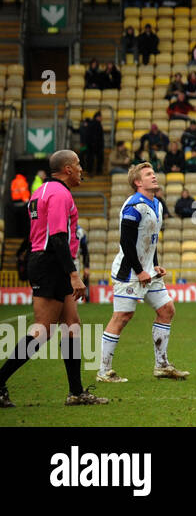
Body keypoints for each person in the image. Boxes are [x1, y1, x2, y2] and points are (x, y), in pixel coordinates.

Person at [0, 149, 108, 408]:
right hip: (51, 263)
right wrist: (73, 274)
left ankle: (76, 392)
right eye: (79, 164)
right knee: (43, 329)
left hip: (45, 260)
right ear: (68, 168)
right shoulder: (60, 194)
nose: (82, 169)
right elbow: (58, 237)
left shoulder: (39, 192)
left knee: (72, 325)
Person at [97, 163, 189, 383]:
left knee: (167, 309)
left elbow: (150, 240)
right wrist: (139, 271)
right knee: (122, 317)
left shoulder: (156, 204)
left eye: (153, 173)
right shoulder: (134, 207)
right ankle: (104, 370)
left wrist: (155, 264)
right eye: (149, 174)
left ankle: (162, 365)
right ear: (138, 182)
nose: (154, 176)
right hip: (129, 271)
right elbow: (126, 243)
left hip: (148, 272)